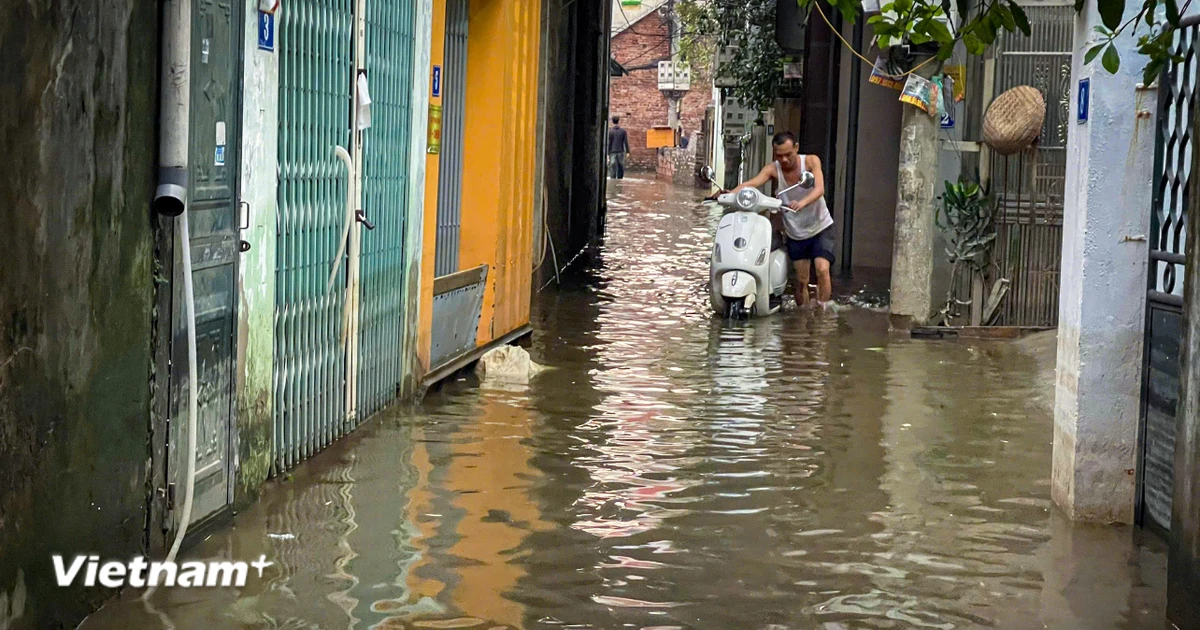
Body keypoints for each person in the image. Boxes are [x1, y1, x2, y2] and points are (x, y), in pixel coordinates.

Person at [727, 132, 835, 311]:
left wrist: (802, 202)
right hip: (796, 232)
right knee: (801, 281)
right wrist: (728, 195)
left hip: (820, 227)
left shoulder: (810, 161)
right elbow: (751, 183)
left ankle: (822, 317)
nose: (784, 160)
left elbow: (820, 189)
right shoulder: (772, 169)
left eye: (788, 155)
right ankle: (803, 318)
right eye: (779, 156)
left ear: (796, 148)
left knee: (822, 269)